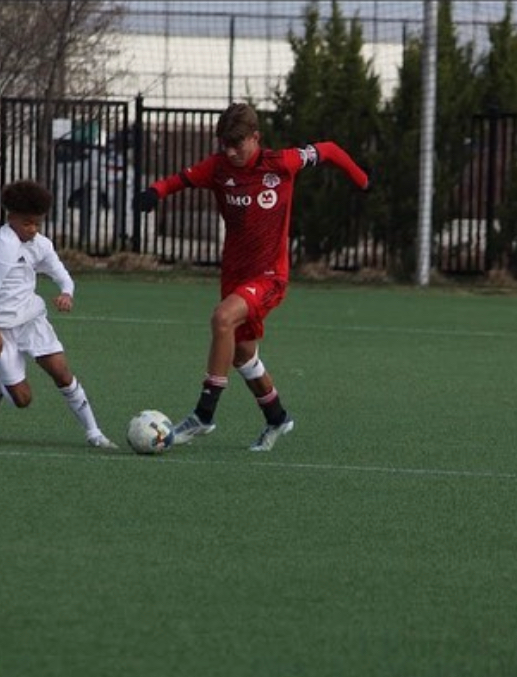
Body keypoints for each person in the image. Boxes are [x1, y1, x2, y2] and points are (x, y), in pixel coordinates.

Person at [134, 101, 370, 452]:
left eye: (237, 143)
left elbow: (331, 150)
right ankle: (277, 417)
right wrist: (155, 191)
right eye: (224, 145)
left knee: (222, 318)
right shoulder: (218, 167)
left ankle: (204, 414)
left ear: (256, 138)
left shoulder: (283, 163)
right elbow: (180, 180)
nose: (230, 151)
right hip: (234, 276)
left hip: (269, 276)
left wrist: (363, 181)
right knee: (242, 355)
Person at [0, 180, 117, 449]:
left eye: (38, 223)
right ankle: (2, 385)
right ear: (11, 217)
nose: (33, 230)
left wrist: (66, 293)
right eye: (28, 223)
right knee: (23, 400)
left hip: (31, 320)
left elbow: (63, 276)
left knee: (62, 373)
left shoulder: (40, 244)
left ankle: (95, 433)